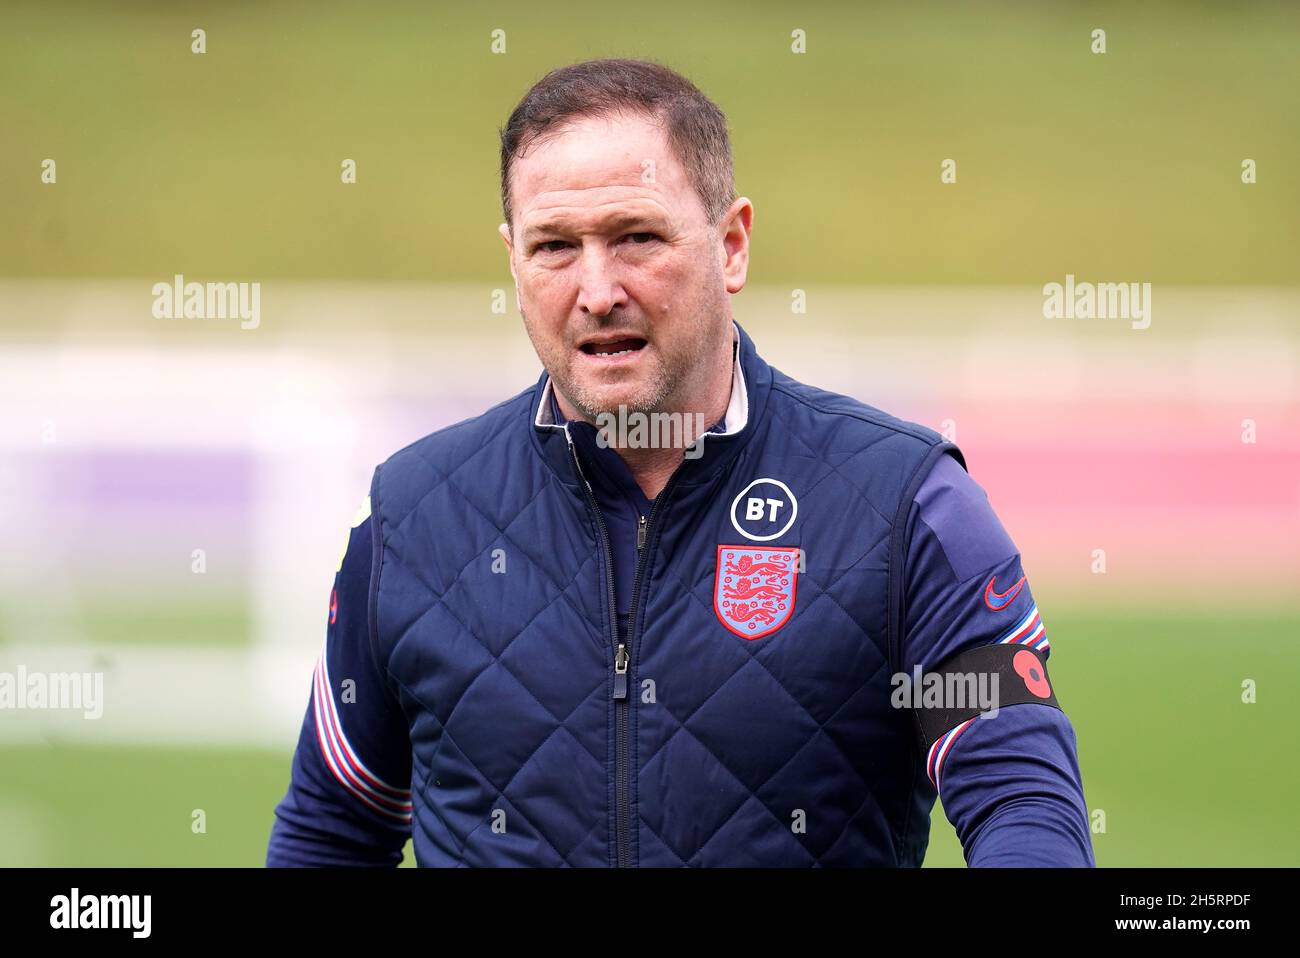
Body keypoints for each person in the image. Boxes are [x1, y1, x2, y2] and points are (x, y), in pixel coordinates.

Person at [266, 58, 1094, 867]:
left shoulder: (906, 507)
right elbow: (332, 831)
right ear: (513, 260)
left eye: (636, 238)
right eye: (555, 246)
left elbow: (1022, 799)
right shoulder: (414, 518)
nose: (597, 290)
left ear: (730, 246)